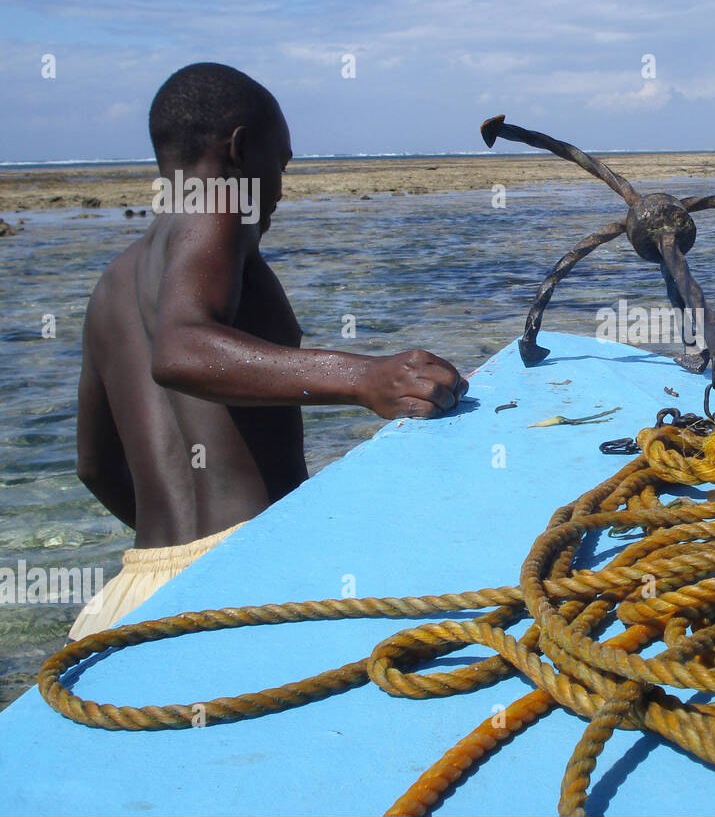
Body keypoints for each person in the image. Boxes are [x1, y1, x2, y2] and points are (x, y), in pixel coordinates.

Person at [70, 62, 467, 639]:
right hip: (246, 582)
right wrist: (366, 378)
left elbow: (94, 466)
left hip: (131, 595)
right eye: (279, 165)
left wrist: (184, 561)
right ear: (240, 150)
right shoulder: (218, 205)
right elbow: (180, 350)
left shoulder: (111, 286)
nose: (280, 189)